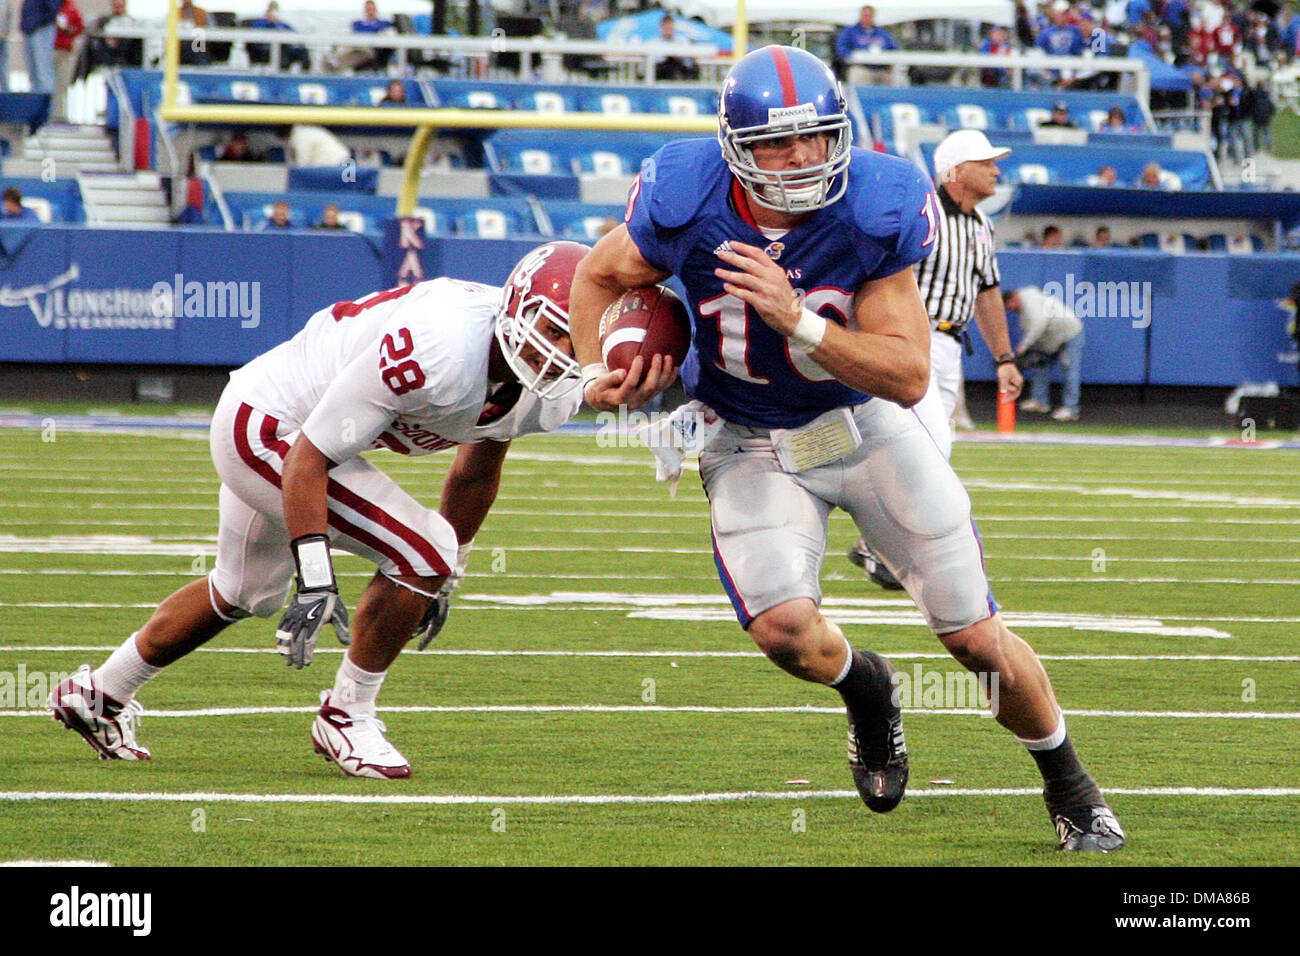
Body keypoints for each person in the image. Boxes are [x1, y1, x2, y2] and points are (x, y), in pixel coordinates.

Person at [569, 46, 1123, 853]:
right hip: (748, 436)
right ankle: (867, 687)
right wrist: (595, 376)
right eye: (775, 143)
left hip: (862, 428)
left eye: (816, 136)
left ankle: (1070, 783)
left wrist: (798, 319)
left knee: (973, 636)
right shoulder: (685, 197)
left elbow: (906, 374)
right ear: (734, 147)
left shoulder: (873, 202)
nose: (801, 157)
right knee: (784, 631)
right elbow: (596, 275)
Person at [48, 241, 593, 779]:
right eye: (551, 330)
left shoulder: (553, 391)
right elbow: (309, 456)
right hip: (271, 426)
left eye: (576, 336)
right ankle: (346, 715)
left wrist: (448, 575)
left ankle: (99, 694)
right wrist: (317, 577)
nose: (560, 351)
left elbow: (476, 470)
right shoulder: (441, 345)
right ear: (515, 306)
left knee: (246, 590)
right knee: (426, 549)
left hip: (300, 434)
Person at [849, 128, 1023, 587]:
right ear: (955, 172)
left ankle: (876, 543)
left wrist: (1004, 357)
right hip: (914, 340)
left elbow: (987, 292)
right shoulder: (923, 214)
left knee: (930, 452)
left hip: (951, 347)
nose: (996, 171)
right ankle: (879, 541)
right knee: (931, 446)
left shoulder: (981, 224)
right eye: (985, 163)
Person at [1005, 286, 1085, 421]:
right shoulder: (1024, 310)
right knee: (1040, 366)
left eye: (1010, 305)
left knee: (1070, 372)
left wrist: (1024, 346)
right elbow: (1031, 328)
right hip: (1050, 339)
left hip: (1069, 335)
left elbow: (1039, 324)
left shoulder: (1032, 301)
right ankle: (1040, 401)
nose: (1011, 309)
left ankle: (1071, 409)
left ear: (1014, 297)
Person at [834, 5, 896, 84]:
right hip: (861, 67)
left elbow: (893, 48)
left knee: (897, 77)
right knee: (857, 74)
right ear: (861, 16)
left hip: (881, 68)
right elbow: (841, 48)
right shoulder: (850, 32)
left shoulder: (881, 33)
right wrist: (852, 56)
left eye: (870, 16)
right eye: (865, 16)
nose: (867, 18)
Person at [330, 0, 394, 73]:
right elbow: (350, 34)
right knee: (346, 48)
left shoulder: (384, 24)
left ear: (376, 10)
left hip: (370, 49)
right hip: (354, 46)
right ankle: (335, 62)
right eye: (368, 9)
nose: (370, 12)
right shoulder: (357, 24)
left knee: (359, 53)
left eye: (372, 9)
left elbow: (388, 35)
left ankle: (336, 65)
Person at [247, 1, 310, 71]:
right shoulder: (259, 23)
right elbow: (254, 37)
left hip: (287, 49)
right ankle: (283, 73)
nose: (273, 14)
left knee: (303, 51)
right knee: (282, 49)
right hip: (266, 50)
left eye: (275, 12)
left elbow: (295, 36)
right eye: (271, 11)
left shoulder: (283, 25)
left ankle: (305, 73)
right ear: (267, 12)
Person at [21, 0, 60, 94]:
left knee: (43, 68)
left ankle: (46, 99)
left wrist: (39, 20)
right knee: (33, 71)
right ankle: (36, 98)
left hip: (42, 28)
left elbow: (53, 8)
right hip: (30, 29)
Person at [52, 0, 81, 121]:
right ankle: (49, 113)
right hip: (51, 49)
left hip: (64, 50)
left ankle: (60, 113)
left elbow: (79, 26)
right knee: (49, 83)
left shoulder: (70, 7)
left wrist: (69, 30)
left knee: (62, 83)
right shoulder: (51, 6)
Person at [278, 123, 351, 167]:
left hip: (337, 164)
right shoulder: (303, 131)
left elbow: (303, 163)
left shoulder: (300, 136)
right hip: (340, 162)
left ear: (285, 136)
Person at [652, 13, 699, 81]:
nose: (668, 29)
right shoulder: (653, 42)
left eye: (670, 27)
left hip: (679, 70)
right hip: (661, 72)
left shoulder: (682, 41)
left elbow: (689, 59)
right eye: (666, 27)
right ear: (661, 27)